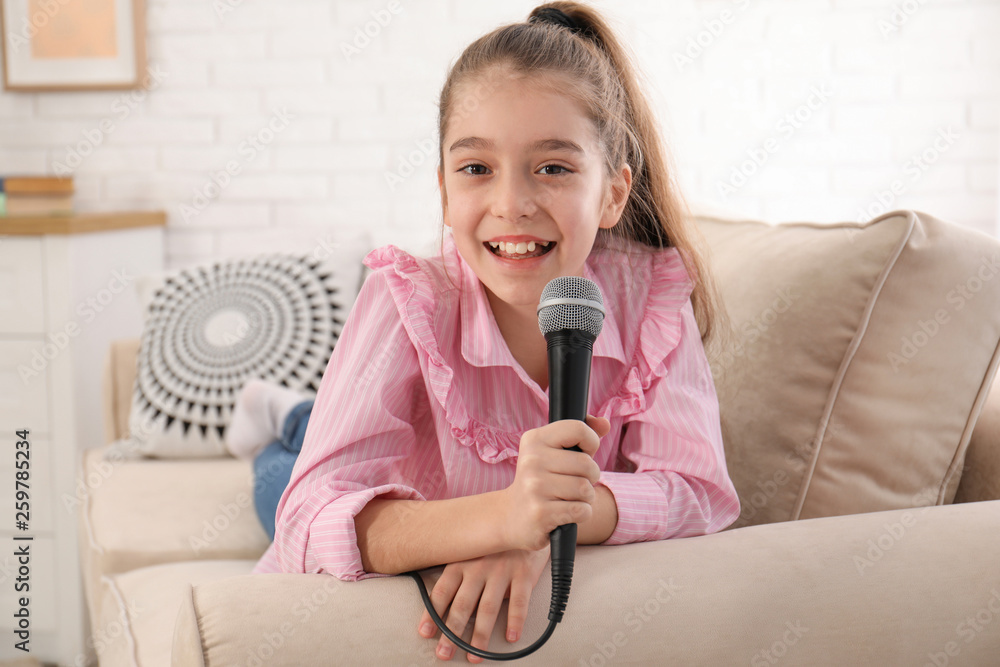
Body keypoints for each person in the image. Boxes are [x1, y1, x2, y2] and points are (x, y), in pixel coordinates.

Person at [237, 2, 742, 662]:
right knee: (277, 481)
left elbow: (701, 493)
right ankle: (284, 415)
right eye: (477, 168)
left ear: (613, 194)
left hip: (441, 490)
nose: (513, 203)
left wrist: (546, 522)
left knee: (313, 445)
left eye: (554, 167)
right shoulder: (405, 298)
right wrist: (503, 517)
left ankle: (300, 414)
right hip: (393, 479)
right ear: (445, 190)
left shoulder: (650, 298)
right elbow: (311, 517)